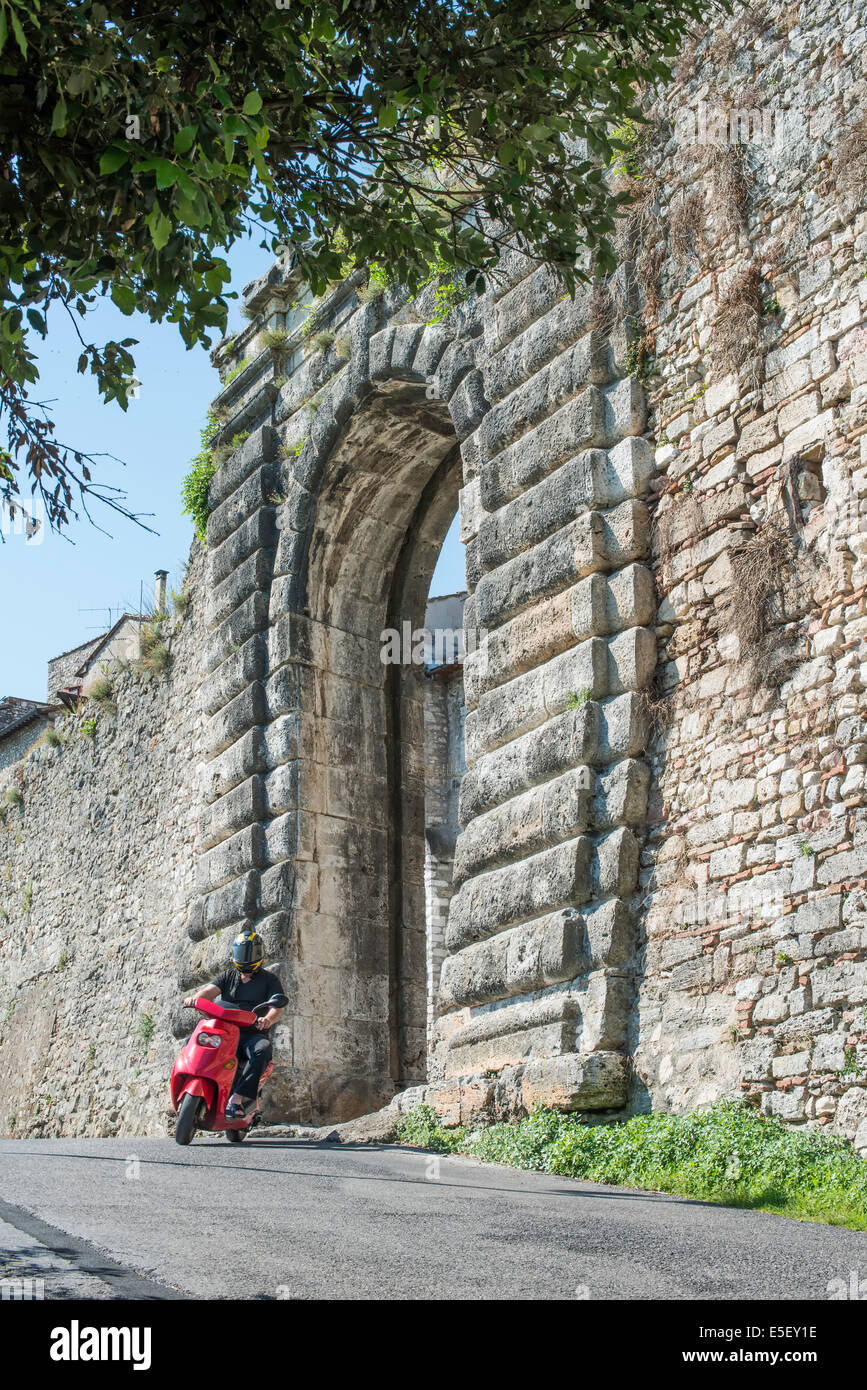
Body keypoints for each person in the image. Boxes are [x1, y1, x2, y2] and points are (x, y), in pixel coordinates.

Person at [183, 928, 286, 1119]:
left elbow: (277, 1007)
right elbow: (209, 991)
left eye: (249, 953)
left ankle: (236, 1099)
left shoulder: (269, 980)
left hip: (251, 1033)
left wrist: (267, 1019)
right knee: (192, 1041)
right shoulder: (228, 976)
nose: (244, 957)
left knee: (262, 1050)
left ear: (258, 954)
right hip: (223, 1031)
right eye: (241, 953)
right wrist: (194, 999)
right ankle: (190, 1082)